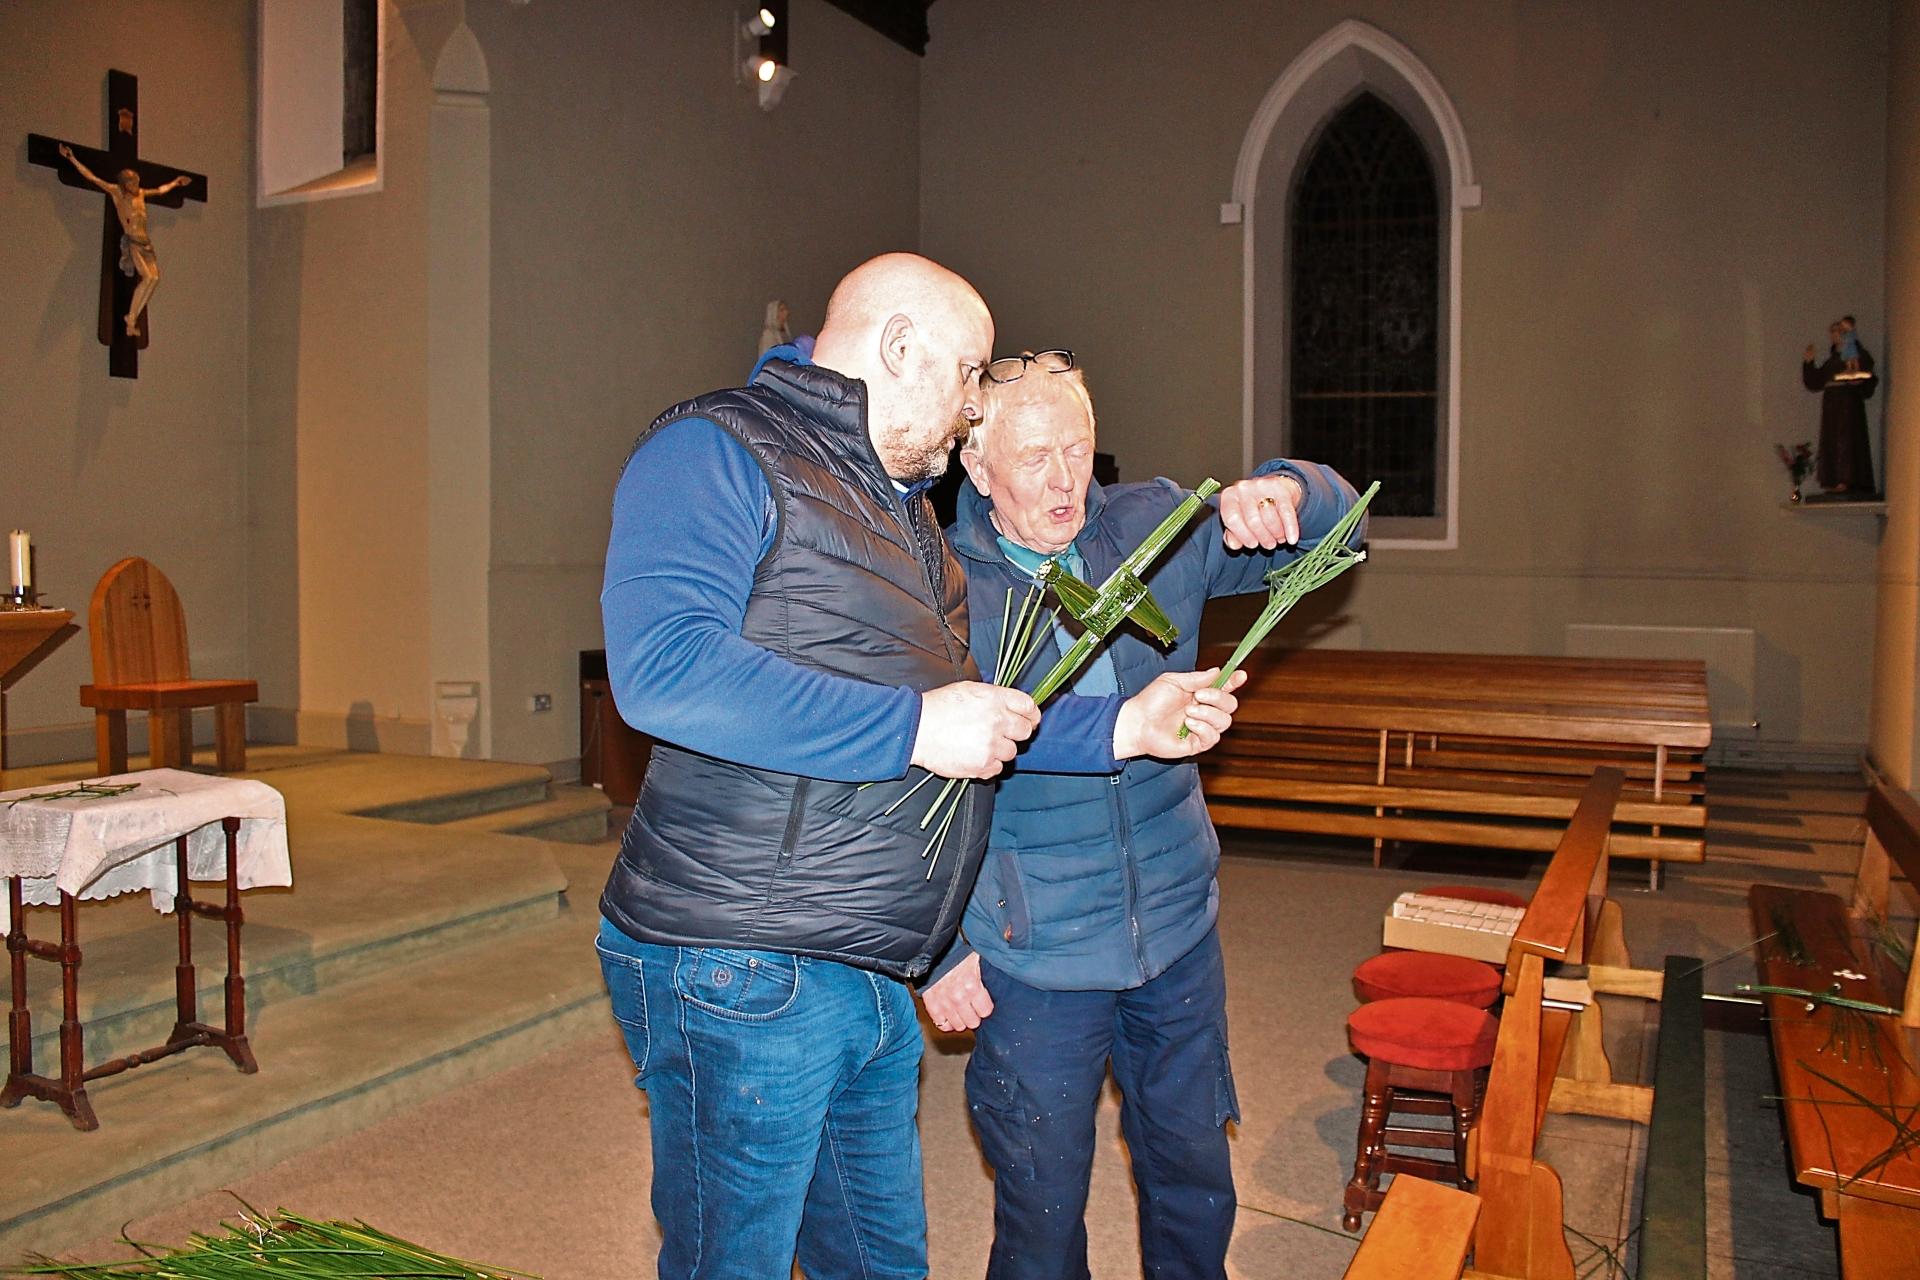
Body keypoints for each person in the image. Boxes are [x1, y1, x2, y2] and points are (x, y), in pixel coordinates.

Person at [595, 258, 1243, 1280]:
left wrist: (1127, 726)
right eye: (967, 373)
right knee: (735, 1258)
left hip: (867, 962)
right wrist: (910, 724)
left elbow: (977, 717)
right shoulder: (714, 448)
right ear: (899, 349)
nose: (971, 408)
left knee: (882, 1259)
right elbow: (663, 668)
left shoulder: (904, 515)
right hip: (738, 954)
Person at [921, 349, 1362, 1280]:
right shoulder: (940, 591)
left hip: (1175, 932)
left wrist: (1283, 489)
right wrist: (939, 950)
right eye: (1035, 456)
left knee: (1195, 1172)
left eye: (1077, 448)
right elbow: (911, 779)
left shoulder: (1150, 526)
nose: (1064, 477)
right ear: (978, 466)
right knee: (1042, 1205)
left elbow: (1339, 533)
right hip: (1036, 949)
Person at [57, 142, 193, 336]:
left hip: (146, 244)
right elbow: (92, 178)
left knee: (154, 278)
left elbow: (161, 190)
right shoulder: (117, 194)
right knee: (147, 278)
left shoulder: (142, 195)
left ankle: (132, 318)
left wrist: (175, 183)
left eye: (137, 182)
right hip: (134, 243)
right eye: (131, 183)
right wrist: (71, 158)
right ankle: (130, 318)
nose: (135, 186)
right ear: (124, 184)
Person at [1802, 317, 1877, 494]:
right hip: (1831, 409)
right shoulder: (1831, 362)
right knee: (1832, 443)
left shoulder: (1855, 356)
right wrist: (1809, 363)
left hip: (1848, 408)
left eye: (1838, 331)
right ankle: (1833, 479)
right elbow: (1815, 381)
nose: (1834, 335)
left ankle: (1848, 480)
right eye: (1833, 331)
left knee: (1847, 443)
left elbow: (1866, 373)